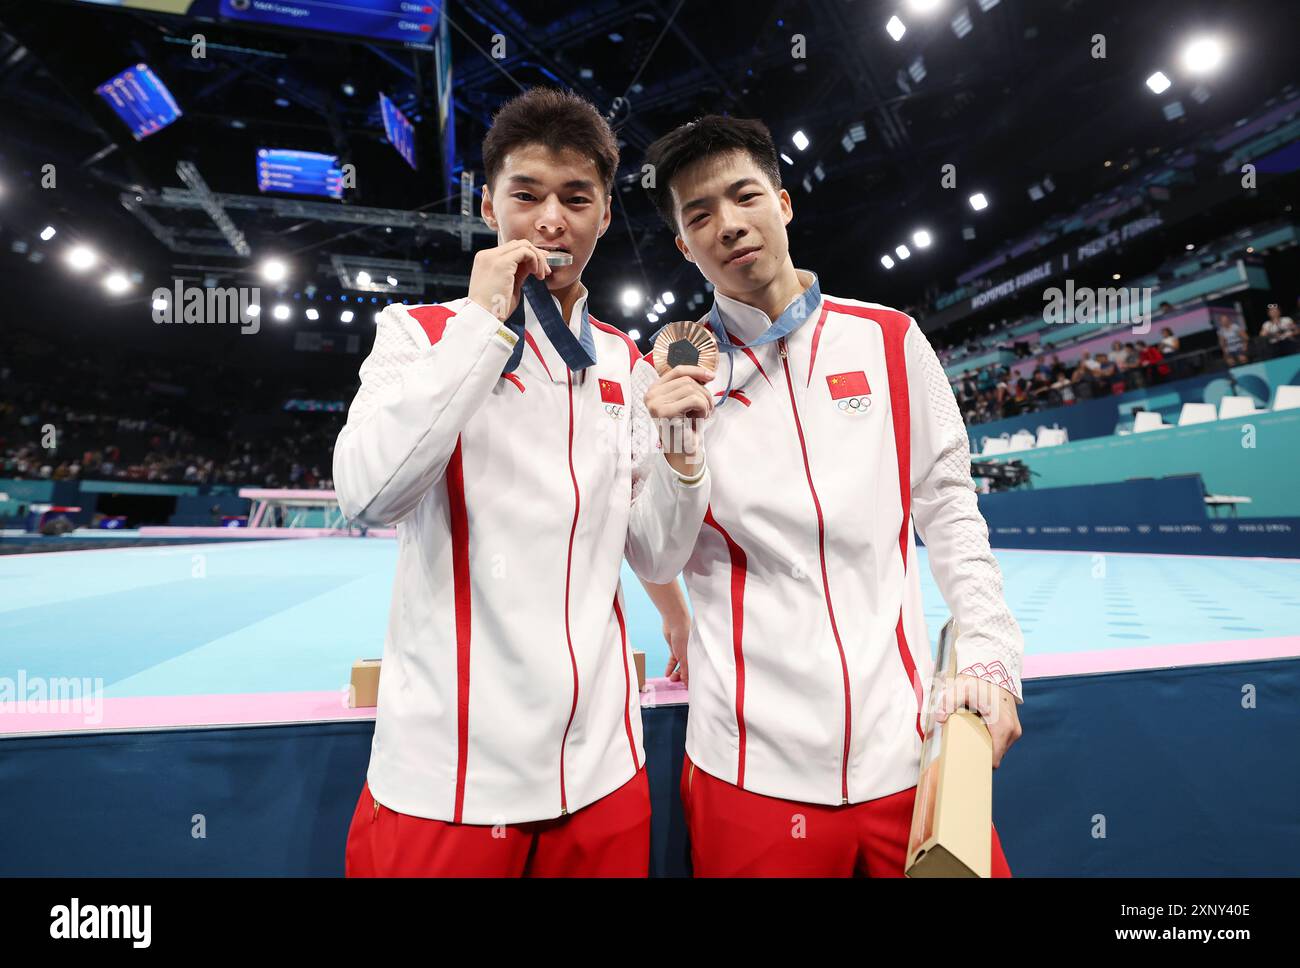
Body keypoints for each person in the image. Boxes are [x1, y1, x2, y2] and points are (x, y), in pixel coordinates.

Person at [333, 87, 715, 877]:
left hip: (603, 776)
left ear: (605, 215)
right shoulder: (419, 335)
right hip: (452, 783)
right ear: (487, 204)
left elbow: (653, 553)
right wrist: (481, 327)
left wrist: (682, 454)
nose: (551, 221)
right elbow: (367, 496)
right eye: (527, 195)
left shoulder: (622, 360)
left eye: (577, 198)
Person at [641, 114, 1023, 877]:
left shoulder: (890, 340)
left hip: (909, 758)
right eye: (700, 216)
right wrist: (677, 446)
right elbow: (656, 550)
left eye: (744, 196)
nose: (729, 226)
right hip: (749, 774)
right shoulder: (672, 380)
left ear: (783, 203)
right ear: (685, 247)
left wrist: (988, 657)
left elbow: (949, 508)